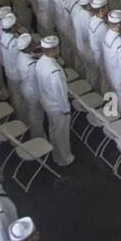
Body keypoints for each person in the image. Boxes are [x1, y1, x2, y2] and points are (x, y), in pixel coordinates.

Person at [34, 35, 74, 166]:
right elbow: (60, 94)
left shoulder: (41, 61)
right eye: (57, 47)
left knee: (53, 130)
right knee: (62, 135)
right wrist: (66, 109)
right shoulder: (55, 71)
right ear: (53, 49)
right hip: (57, 107)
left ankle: (56, 155)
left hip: (47, 102)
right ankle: (65, 158)